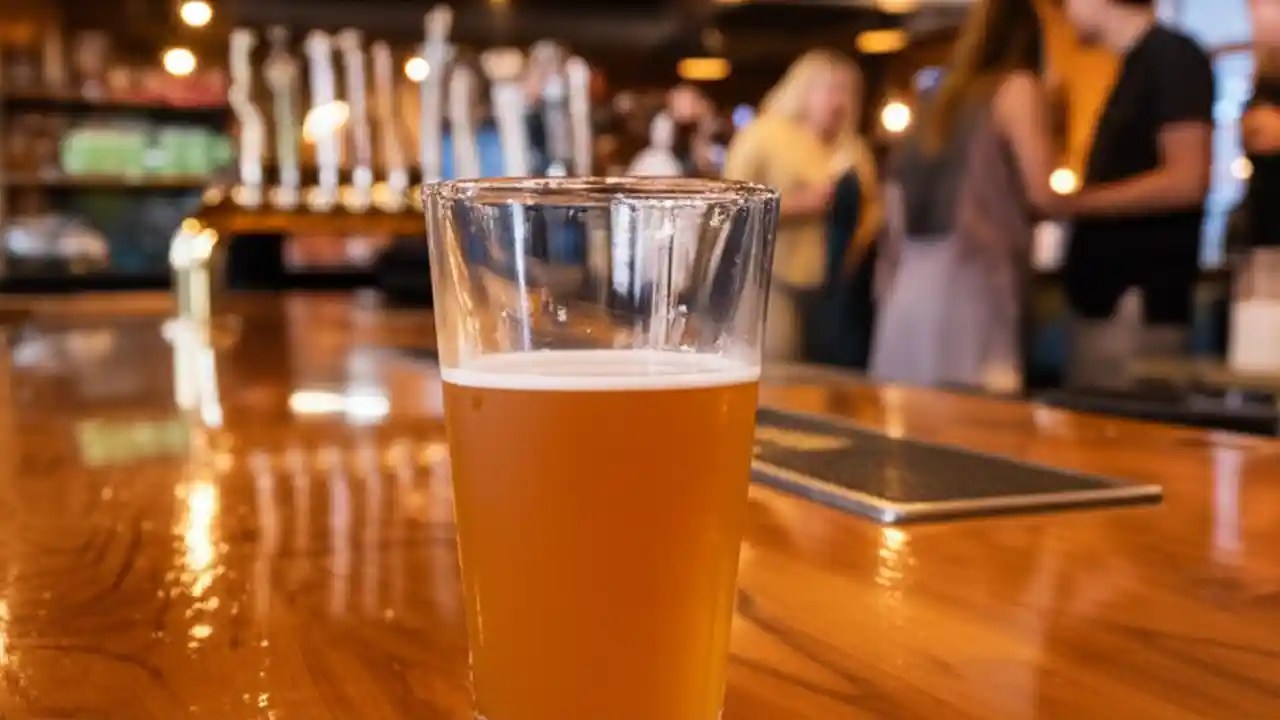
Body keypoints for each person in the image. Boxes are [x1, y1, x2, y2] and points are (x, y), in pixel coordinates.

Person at [870, 0, 1057, 392]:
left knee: (909, 425)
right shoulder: (1017, 88)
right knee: (977, 424)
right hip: (975, 280)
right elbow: (1042, 194)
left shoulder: (938, 99)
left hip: (911, 282)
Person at [1058, 0, 1214, 389]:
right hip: (1112, 302)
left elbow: (1187, 180)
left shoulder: (1173, 56)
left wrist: (1075, 205)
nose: (1064, 10)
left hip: (1136, 302)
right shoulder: (1137, 63)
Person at [723, 49, 881, 362]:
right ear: (802, 89)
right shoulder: (763, 134)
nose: (840, 100)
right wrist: (794, 205)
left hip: (834, 287)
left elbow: (872, 206)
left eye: (848, 91)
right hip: (773, 279)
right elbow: (728, 205)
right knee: (778, 368)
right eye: (831, 88)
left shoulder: (855, 148)